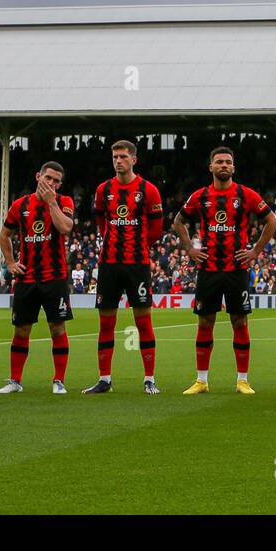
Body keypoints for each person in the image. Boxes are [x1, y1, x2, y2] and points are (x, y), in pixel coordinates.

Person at [173, 146, 276, 396]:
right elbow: (178, 221)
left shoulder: (246, 194)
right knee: (205, 322)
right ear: (210, 167)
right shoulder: (199, 196)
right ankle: (201, 380)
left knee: (239, 321)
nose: (224, 166)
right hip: (208, 268)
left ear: (234, 167)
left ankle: (242, 380)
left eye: (228, 162)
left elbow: (272, 220)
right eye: (219, 162)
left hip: (236, 268)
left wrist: (255, 251)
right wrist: (190, 248)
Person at [83, 140, 164, 395]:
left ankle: (149, 379)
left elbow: (156, 229)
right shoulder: (102, 190)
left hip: (137, 265)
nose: (118, 160)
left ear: (134, 160)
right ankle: (104, 379)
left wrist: (137, 245)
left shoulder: (148, 190)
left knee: (143, 322)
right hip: (108, 264)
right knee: (106, 323)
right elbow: (100, 222)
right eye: (115, 156)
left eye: (123, 156)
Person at [0, 162, 76, 394]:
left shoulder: (64, 202)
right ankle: (15, 381)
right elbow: (4, 235)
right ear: (38, 176)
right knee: (21, 330)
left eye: (56, 181)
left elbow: (65, 228)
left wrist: (51, 201)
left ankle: (58, 380)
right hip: (27, 278)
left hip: (55, 278)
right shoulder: (20, 205)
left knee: (57, 328)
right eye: (48, 178)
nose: (52, 184)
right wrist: (10, 263)